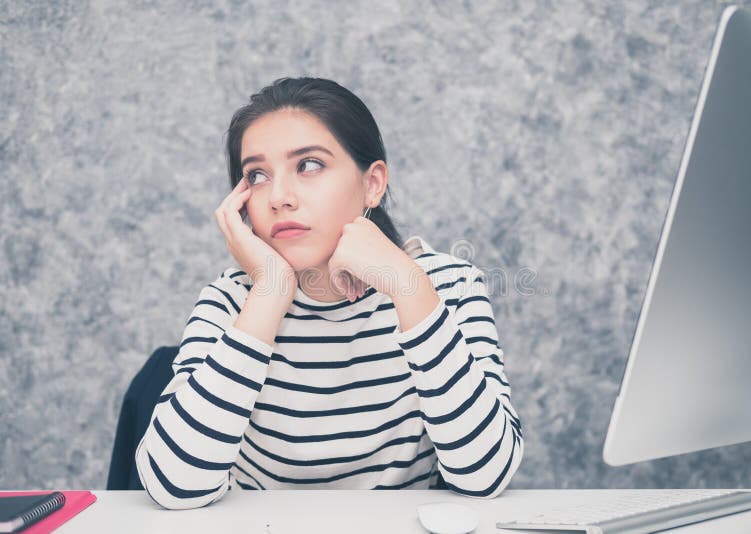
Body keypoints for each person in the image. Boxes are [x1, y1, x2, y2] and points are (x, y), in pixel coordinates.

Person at [134, 77, 524, 510]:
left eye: (309, 165)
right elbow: (174, 486)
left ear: (372, 184)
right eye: (257, 176)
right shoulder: (230, 302)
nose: (279, 197)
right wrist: (270, 292)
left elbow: (485, 475)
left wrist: (404, 282)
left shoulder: (448, 286)